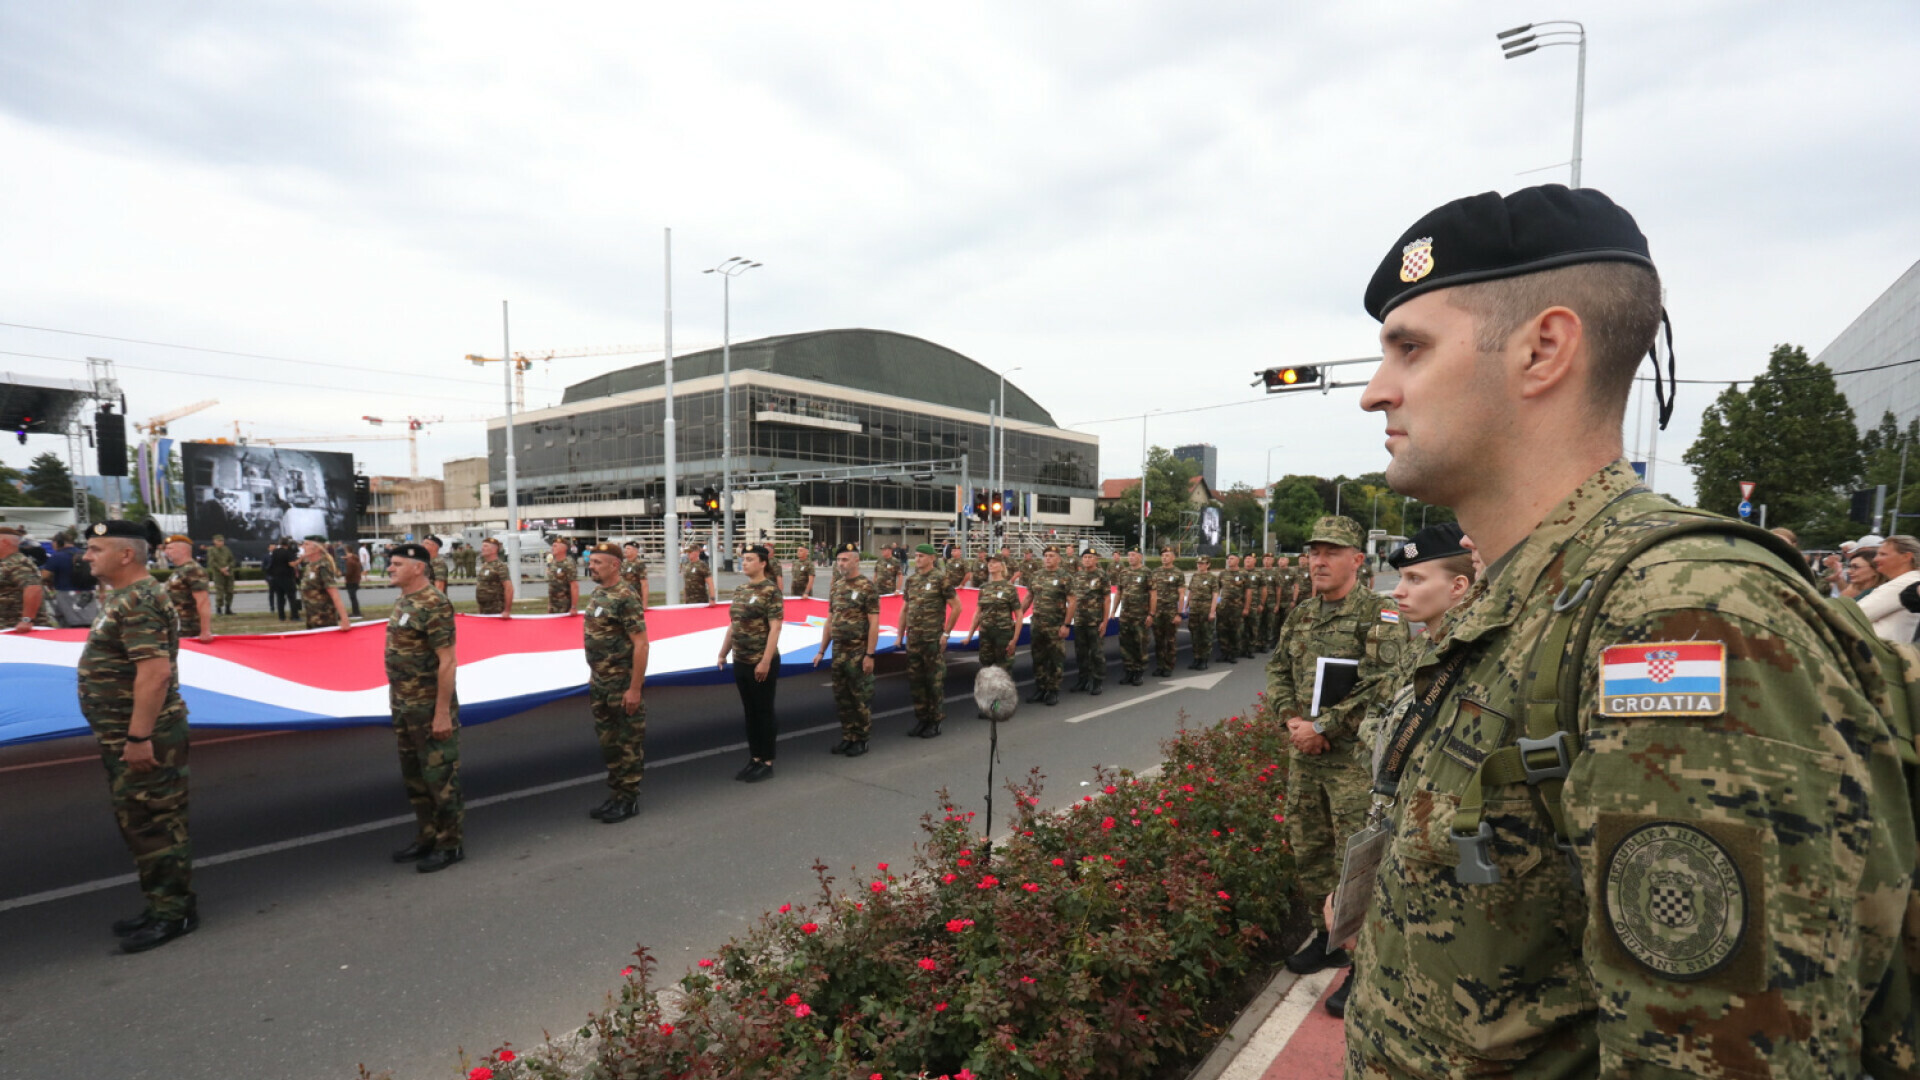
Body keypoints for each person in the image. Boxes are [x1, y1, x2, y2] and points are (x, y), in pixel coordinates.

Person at [1348, 184, 1914, 1077]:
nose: (1376, 392)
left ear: (1543, 349)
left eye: (1410, 349)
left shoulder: (1682, 620)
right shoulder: (1537, 595)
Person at [1329, 522, 1476, 1018]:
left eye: (1415, 579)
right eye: (1402, 578)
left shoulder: (1478, 658)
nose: (1399, 590)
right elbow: (1380, 715)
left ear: (1459, 586)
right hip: (1395, 825)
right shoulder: (1421, 647)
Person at [1266, 516, 1408, 986]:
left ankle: (1361, 963)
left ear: (1357, 560)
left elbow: (1382, 683)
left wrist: (1322, 725)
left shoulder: (1379, 615)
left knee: (1355, 859)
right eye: (1314, 552)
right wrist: (1293, 721)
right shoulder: (1303, 614)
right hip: (1305, 758)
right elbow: (1278, 670)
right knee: (1309, 850)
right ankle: (1325, 938)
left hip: (1351, 763)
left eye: (1331, 552)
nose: (1318, 561)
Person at [79, 520, 198, 951]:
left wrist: (137, 739)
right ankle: (161, 903)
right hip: (123, 733)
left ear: (125, 554)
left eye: (95, 548)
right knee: (140, 821)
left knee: (155, 822)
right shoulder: (125, 597)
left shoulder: (140, 600)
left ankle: (174, 914)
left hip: (145, 735)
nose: (87, 555)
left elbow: (155, 673)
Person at [382, 542, 464, 872]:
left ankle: (450, 843)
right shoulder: (404, 600)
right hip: (405, 707)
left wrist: (442, 712)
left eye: (397, 563)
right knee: (415, 778)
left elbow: (447, 662)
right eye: (391, 563)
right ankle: (427, 834)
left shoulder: (435, 603)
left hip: (429, 707)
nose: (390, 568)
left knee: (439, 779)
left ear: (418, 568)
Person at [582, 541, 649, 822]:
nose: (592, 566)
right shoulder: (598, 593)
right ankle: (615, 796)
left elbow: (641, 644)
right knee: (609, 744)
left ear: (614, 566)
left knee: (627, 743)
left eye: (598, 562)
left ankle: (628, 800)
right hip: (600, 684)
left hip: (621, 685)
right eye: (591, 561)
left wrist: (634, 689)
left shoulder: (625, 596)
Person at [717, 545, 783, 781]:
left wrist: (765, 660)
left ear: (762, 563)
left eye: (749, 559)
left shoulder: (771, 590)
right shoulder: (741, 589)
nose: (744, 563)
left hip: (760, 661)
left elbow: (775, 627)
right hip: (741, 660)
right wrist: (723, 652)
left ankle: (767, 761)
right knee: (750, 712)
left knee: (763, 712)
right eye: (743, 559)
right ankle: (754, 757)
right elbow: (733, 623)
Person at [815, 542, 879, 756]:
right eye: (839, 560)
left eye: (845, 559)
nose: (841, 563)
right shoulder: (837, 586)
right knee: (842, 697)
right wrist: (822, 650)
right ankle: (847, 736)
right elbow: (830, 620)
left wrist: (870, 654)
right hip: (839, 652)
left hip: (858, 653)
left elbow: (874, 623)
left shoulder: (867, 587)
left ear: (856, 560)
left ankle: (861, 739)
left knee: (859, 697)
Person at [901, 543, 962, 736]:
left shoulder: (940, 579)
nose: (917, 559)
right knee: (916, 682)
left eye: (921, 556)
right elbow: (906, 608)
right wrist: (900, 634)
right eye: (916, 555)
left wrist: (946, 634)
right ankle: (922, 719)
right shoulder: (911, 580)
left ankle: (935, 721)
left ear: (931, 558)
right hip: (914, 639)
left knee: (933, 682)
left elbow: (957, 607)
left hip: (932, 639)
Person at [966, 552, 1027, 672]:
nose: (990, 564)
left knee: (1004, 669)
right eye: (989, 562)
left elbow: (1019, 615)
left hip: (1003, 634)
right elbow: (978, 613)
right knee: (986, 668)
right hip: (986, 634)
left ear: (1001, 566)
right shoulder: (984, 587)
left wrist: (1014, 640)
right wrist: (969, 635)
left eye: (994, 562)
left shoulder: (1009, 588)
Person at [1026, 546, 1072, 705]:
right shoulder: (1036, 576)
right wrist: (1017, 616)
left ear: (1059, 558)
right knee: (1038, 657)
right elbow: (1028, 597)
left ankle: (1053, 690)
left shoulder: (1065, 577)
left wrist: (1066, 624)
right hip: (1037, 624)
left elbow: (1072, 602)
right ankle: (1041, 688)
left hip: (1055, 625)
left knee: (1055, 658)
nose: (1048, 558)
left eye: (1051, 555)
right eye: (1045, 555)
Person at [1857, 534, 1920, 641]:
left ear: (1906, 557)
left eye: (1883, 554)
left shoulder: (1905, 583)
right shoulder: (1909, 580)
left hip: (1878, 653)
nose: (1875, 559)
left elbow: (1854, 614)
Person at [1066, 548, 1111, 694]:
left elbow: (1107, 599)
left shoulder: (1102, 575)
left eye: (1090, 557)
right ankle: (1083, 680)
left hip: (1095, 621)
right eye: (1085, 557)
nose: (1087, 560)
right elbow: (1072, 599)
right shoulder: (1077, 576)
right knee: (1081, 653)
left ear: (1096, 559)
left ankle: (1097, 681)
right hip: (1079, 620)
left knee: (1096, 653)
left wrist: (1105, 621)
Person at [161, 534, 214, 645]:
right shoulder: (180, 570)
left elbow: (203, 602)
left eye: (170, 548)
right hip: (176, 626)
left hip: (188, 628)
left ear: (183, 550)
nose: (166, 552)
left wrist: (205, 631)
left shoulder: (193, 570)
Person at [42, 531, 98, 627]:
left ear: (59, 542)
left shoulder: (57, 556)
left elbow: (44, 576)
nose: (52, 545)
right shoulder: (85, 554)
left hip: (66, 593)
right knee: (89, 622)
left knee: (71, 624)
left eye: (53, 542)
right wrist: (102, 591)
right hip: (89, 593)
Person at [1113, 549, 1152, 685]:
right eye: (1129, 555)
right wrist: (1113, 611)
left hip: (1140, 615)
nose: (1130, 557)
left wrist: (1151, 614)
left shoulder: (1146, 572)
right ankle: (1128, 671)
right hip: (1125, 615)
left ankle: (1139, 672)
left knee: (1140, 644)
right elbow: (1119, 593)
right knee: (1126, 644)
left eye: (1133, 555)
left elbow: (1153, 594)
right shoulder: (1123, 572)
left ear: (1140, 557)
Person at [297, 537, 352, 631]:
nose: (303, 547)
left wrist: (344, 619)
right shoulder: (310, 566)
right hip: (312, 618)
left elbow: (334, 594)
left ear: (317, 548)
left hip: (324, 619)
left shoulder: (323, 566)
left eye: (307, 544)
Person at [0, 524, 48, 631]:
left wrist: (26, 620)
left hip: (16, 627)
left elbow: (33, 588)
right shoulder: (6, 562)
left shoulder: (18, 563)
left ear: (5, 542)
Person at [1148, 546, 1186, 677]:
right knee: (1158, 640)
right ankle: (1160, 665)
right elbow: (1151, 593)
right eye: (1163, 555)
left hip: (1171, 611)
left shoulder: (1178, 573)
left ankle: (1169, 666)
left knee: (1170, 640)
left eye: (1167, 555)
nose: (1164, 558)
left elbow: (1181, 595)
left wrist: (1179, 613)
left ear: (1173, 558)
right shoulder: (1155, 572)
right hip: (1157, 610)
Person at [1183, 554, 1219, 671]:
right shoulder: (1195, 576)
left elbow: (1215, 595)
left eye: (1202, 563)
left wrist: (1212, 611)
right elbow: (1191, 592)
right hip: (1194, 610)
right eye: (1198, 563)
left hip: (1205, 610)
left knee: (1206, 635)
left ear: (1208, 565)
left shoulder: (1212, 578)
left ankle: (1204, 659)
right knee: (1195, 635)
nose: (1200, 565)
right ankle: (1196, 658)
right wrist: (1186, 606)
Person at [1214, 554, 1246, 663]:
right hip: (1223, 607)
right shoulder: (1223, 574)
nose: (1229, 560)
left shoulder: (1243, 574)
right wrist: (1216, 603)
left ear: (1238, 560)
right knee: (1222, 630)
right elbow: (1216, 589)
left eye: (1232, 558)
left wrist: (1246, 607)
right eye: (1228, 558)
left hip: (1236, 607)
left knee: (1235, 630)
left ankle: (1233, 653)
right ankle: (1224, 652)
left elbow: (1248, 592)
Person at [474, 537, 515, 616]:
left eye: (486, 546)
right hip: (484, 610)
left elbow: (509, 588)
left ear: (494, 549)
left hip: (496, 610)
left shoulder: (500, 566)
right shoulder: (485, 566)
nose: (482, 549)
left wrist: (507, 610)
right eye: (482, 546)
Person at [266, 538, 299, 620]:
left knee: (280, 598)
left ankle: (281, 616)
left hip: (276, 578)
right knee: (292, 597)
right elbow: (291, 564)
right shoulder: (288, 552)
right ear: (287, 545)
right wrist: (300, 560)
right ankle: (294, 616)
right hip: (287, 577)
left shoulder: (275, 552)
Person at [546, 537, 579, 614]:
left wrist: (573, 607)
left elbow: (574, 586)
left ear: (563, 549)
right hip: (553, 606)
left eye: (555, 546)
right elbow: (552, 586)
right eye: (552, 546)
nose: (552, 548)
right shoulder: (553, 563)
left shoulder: (568, 564)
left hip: (565, 606)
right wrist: (549, 604)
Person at [619, 540, 651, 609]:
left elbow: (644, 584)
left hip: (634, 600)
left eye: (628, 549)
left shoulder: (639, 564)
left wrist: (644, 604)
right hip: (622, 599)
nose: (625, 550)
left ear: (635, 551)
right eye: (625, 549)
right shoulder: (623, 564)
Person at [340, 544, 364, 619]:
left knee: (352, 597)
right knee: (354, 597)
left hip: (351, 581)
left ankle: (356, 613)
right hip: (356, 580)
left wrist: (342, 574)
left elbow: (349, 573)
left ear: (346, 551)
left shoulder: (349, 562)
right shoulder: (355, 559)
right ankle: (356, 612)